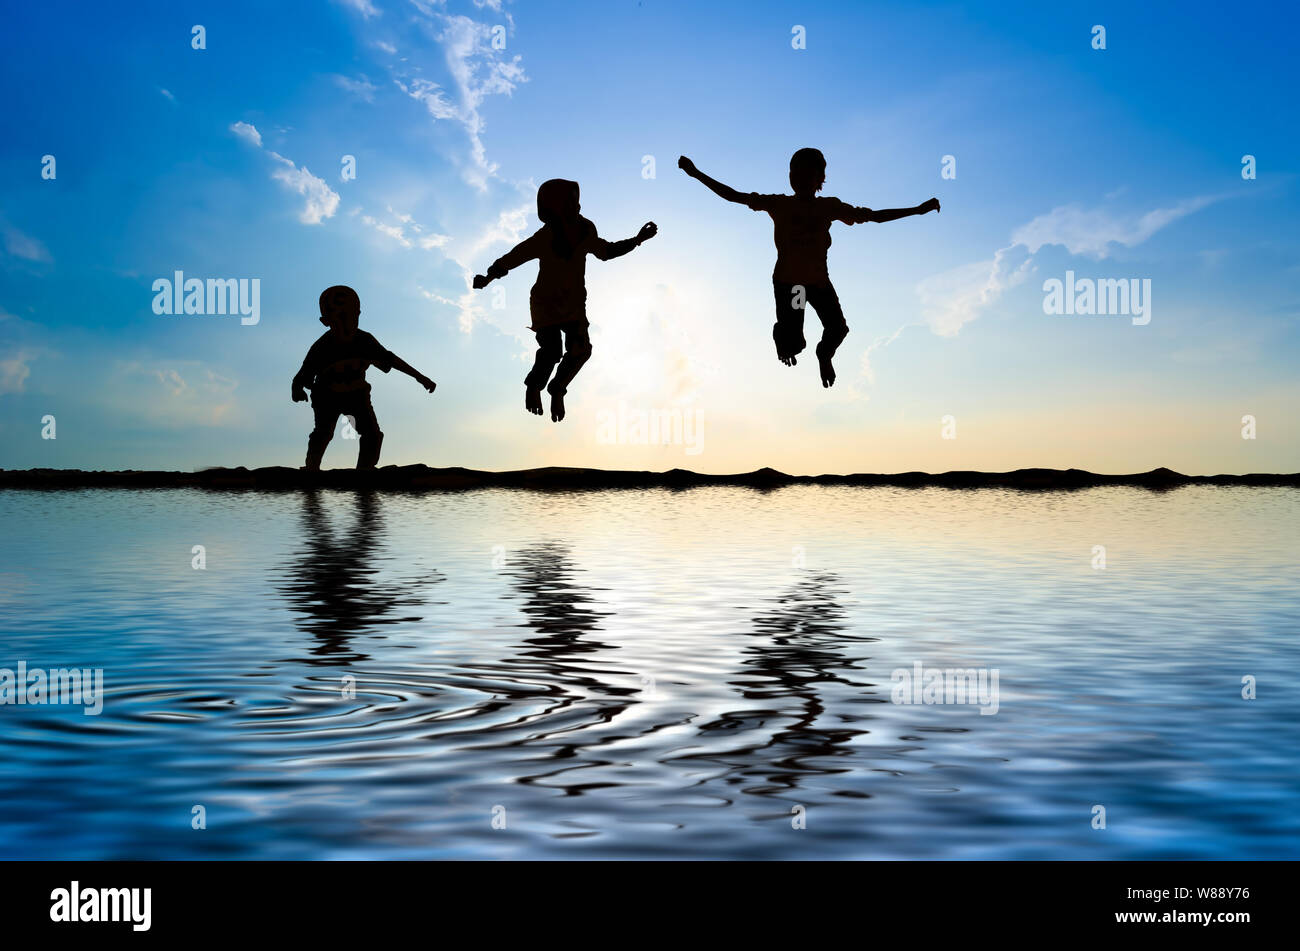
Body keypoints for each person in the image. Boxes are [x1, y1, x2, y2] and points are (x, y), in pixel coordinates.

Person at [679, 149, 939, 387]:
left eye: (807, 174)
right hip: (793, 285)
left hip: (818, 283)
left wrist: (917, 210)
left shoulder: (828, 207)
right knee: (794, 343)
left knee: (838, 329)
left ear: (820, 179)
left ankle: (823, 355)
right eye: (794, 173)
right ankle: (784, 336)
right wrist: (696, 173)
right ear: (790, 177)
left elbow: (874, 216)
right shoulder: (779, 204)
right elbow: (734, 196)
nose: (799, 178)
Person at [473, 178, 657, 422]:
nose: (577, 207)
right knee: (551, 351)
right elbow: (515, 256)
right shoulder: (545, 236)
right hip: (545, 303)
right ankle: (534, 386)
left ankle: (557, 388)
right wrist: (488, 277)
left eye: (576, 201)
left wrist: (637, 240)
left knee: (581, 350)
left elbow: (606, 251)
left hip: (573, 304)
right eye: (570, 202)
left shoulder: (585, 230)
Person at [292, 284, 436, 470]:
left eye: (350, 317)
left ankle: (365, 469)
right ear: (325, 321)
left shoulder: (365, 341)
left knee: (372, 434)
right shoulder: (322, 347)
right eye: (339, 319)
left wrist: (420, 378)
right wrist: (297, 389)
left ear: (358, 314)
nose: (345, 326)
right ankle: (312, 467)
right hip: (326, 395)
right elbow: (302, 374)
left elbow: (391, 360)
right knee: (323, 432)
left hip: (356, 394)